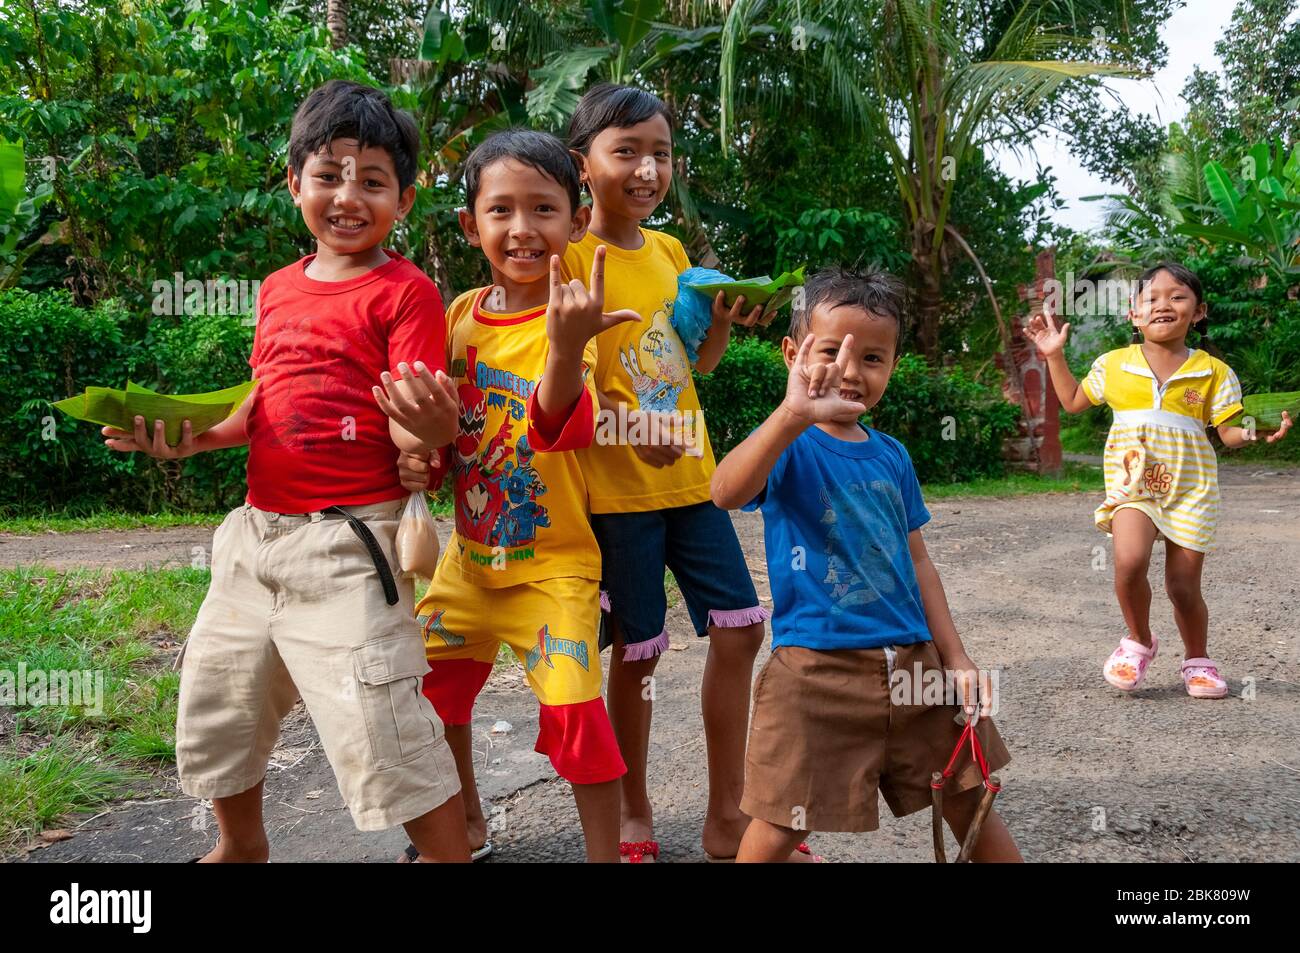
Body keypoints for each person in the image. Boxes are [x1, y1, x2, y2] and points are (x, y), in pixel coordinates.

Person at [103, 80, 470, 862]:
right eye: (329, 175)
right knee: (221, 702)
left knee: (385, 730)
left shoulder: (407, 292)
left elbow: (417, 414)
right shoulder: (275, 290)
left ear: (403, 198)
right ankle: (241, 846)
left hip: (352, 546)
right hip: (252, 540)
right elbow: (265, 406)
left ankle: (447, 854)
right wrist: (189, 439)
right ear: (294, 182)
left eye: (372, 181)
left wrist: (433, 431)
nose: (348, 196)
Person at [712, 266, 1022, 863]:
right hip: (814, 670)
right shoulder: (788, 444)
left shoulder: (891, 455)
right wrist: (789, 415)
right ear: (791, 353)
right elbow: (725, 491)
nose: (851, 371)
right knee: (782, 821)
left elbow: (919, 560)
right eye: (831, 350)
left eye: (873, 358)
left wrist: (955, 657)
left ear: (893, 367)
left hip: (914, 664)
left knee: (967, 793)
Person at [386, 129, 634, 861]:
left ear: (575, 219)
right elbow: (438, 431)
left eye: (543, 209)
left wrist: (563, 344)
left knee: (577, 716)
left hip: (554, 569)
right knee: (431, 694)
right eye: (501, 210)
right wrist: (417, 460)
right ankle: (465, 823)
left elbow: (562, 425)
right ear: (471, 225)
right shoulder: (458, 316)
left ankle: (604, 854)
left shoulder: (573, 312)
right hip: (467, 563)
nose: (522, 228)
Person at [1025, 261, 1291, 698]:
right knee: (1129, 564)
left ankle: (1198, 660)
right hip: (1134, 488)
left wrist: (1255, 431)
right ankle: (1139, 641)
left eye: (1177, 297)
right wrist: (1054, 355)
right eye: (1150, 298)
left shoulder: (1213, 372)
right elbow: (1072, 400)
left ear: (1199, 311)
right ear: (1133, 314)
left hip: (1192, 491)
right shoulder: (1113, 364)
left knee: (1182, 586)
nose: (1162, 305)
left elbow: (1227, 431)